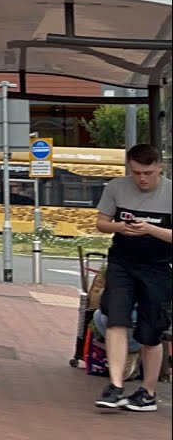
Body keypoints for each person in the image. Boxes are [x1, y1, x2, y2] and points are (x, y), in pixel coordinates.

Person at [93, 143, 172, 412]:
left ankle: (147, 393)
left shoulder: (170, 192)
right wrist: (121, 227)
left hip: (158, 266)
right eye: (136, 172)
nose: (142, 178)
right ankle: (115, 386)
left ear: (160, 168)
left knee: (151, 330)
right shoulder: (115, 187)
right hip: (121, 262)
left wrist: (149, 228)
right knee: (116, 318)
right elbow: (101, 223)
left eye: (148, 173)